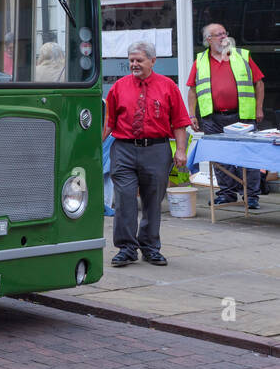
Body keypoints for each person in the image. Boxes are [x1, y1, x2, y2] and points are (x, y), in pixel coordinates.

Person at [103, 41, 190, 267]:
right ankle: (126, 248)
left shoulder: (168, 86)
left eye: (139, 60)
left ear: (153, 61)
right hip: (123, 149)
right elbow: (108, 123)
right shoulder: (118, 87)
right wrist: (93, 149)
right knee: (124, 199)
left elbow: (180, 122)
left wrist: (180, 150)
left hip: (157, 150)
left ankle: (150, 247)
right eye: (131, 60)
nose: (134, 64)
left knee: (153, 200)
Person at [186, 23, 267, 209]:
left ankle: (251, 195)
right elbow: (192, 91)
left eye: (225, 33)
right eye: (218, 35)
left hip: (243, 115)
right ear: (209, 40)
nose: (224, 37)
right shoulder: (200, 60)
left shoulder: (242, 55)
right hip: (212, 118)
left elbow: (259, 83)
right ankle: (227, 193)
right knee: (220, 157)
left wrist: (259, 108)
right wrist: (192, 115)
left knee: (249, 155)